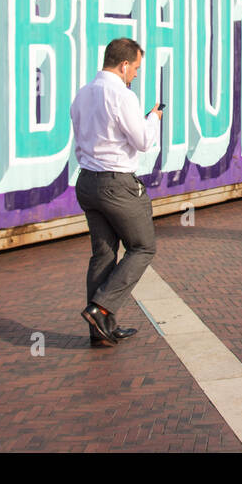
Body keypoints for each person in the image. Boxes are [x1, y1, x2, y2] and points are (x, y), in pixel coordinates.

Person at [70, 37, 163, 348]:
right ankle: (102, 307)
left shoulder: (82, 94)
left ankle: (101, 329)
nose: (136, 74)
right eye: (135, 68)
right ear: (124, 65)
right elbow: (142, 142)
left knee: (104, 253)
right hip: (117, 184)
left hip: (87, 182)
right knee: (143, 247)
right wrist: (154, 119)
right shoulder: (121, 96)